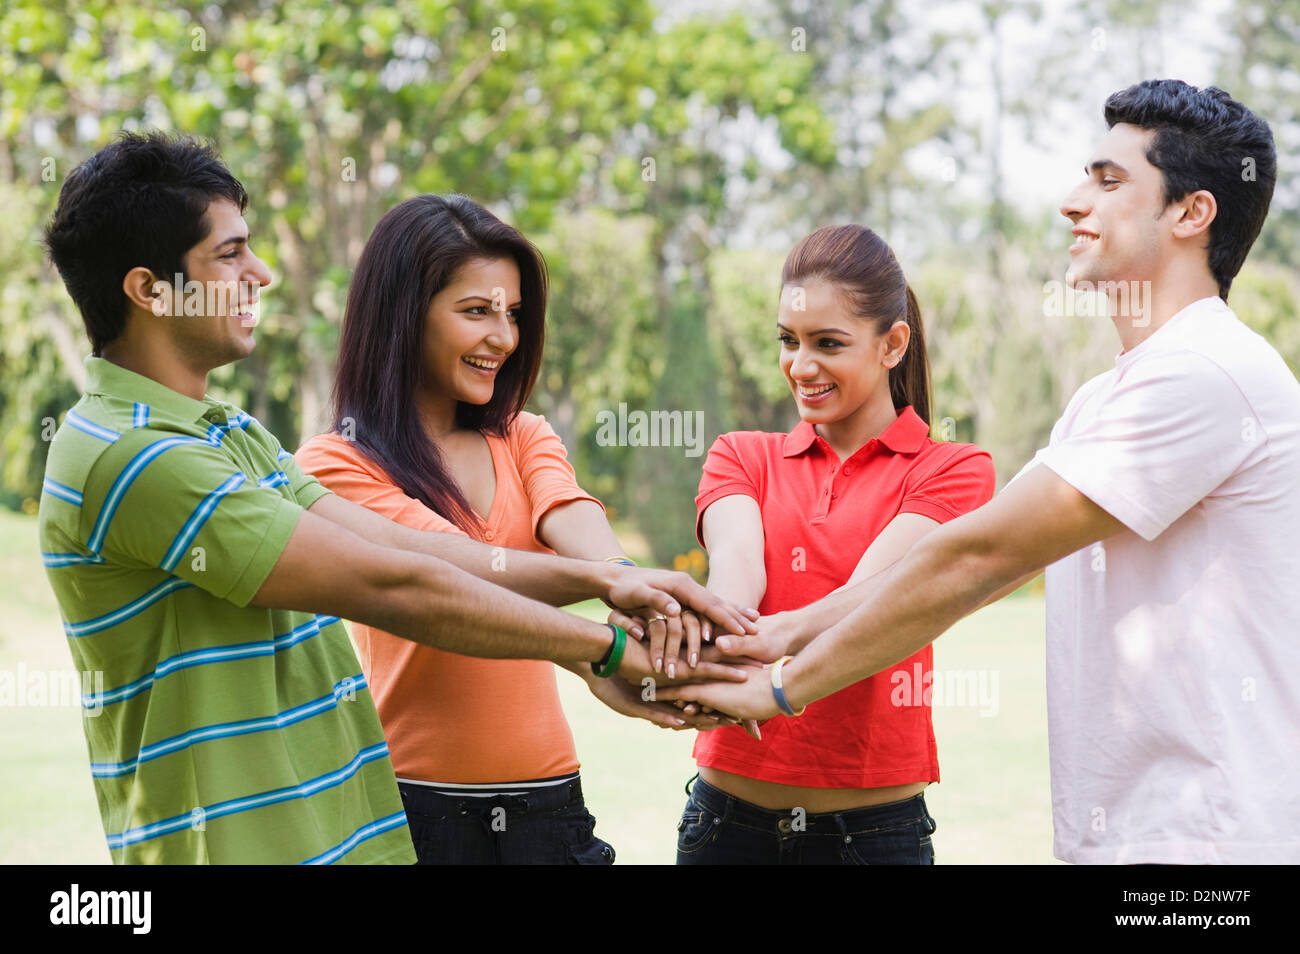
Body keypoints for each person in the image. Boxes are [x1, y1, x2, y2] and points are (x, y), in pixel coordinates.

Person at [37, 132, 754, 864]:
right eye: (230, 254)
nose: (264, 273)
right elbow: (393, 585)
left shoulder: (231, 433)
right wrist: (602, 648)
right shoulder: (132, 455)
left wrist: (610, 580)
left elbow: (408, 548)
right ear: (150, 289)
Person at [660, 79, 1300, 865]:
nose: (1072, 202)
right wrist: (783, 633)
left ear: (1191, 213)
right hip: (1143, 835)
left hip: (1213, 846)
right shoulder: (1108, 395)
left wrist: (781, 684)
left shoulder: (1205, 373)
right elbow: (982, 570)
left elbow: (977, 557)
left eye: (1108, 180)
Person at [295, 193, 738, 864]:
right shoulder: (333, 463)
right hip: (413, 812)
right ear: (402, 317)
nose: (504, 337)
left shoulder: (523, 434)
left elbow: (569, 513)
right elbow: (448, 573)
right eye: (477, 311)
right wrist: (604, 627)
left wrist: (630, 587)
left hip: (549, 808)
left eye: (514, 314)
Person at [655, 224, 995, 864]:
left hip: (869, 839)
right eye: (788, 340)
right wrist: (718, 634)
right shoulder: (742, 455)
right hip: (726, 827)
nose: (800, 366)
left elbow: (875, 599)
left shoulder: (953, 468)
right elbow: (736, 574)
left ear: (893, 344)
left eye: (827, 344)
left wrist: (769, 647)